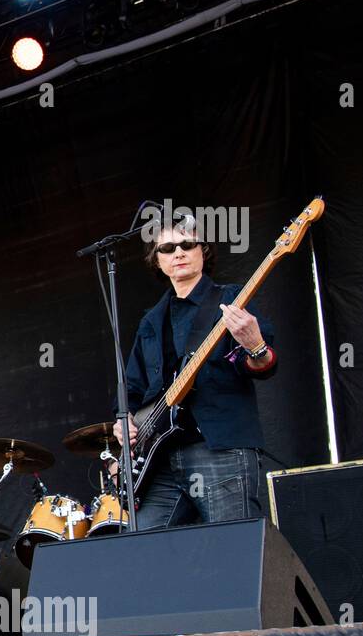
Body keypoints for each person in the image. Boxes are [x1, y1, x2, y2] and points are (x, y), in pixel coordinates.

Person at [113, 220, 277, 530]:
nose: (179, 253)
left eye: (187, 245)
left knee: (233, 546)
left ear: (203, 251)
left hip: (219, 448)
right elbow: (133, 388)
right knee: (142, 551)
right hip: (160, 458)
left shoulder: (231, 299)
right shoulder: (151, 321)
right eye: (168, 248)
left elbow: (262, 364)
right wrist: (124, 421)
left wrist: (256, 346)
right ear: (157, 261)